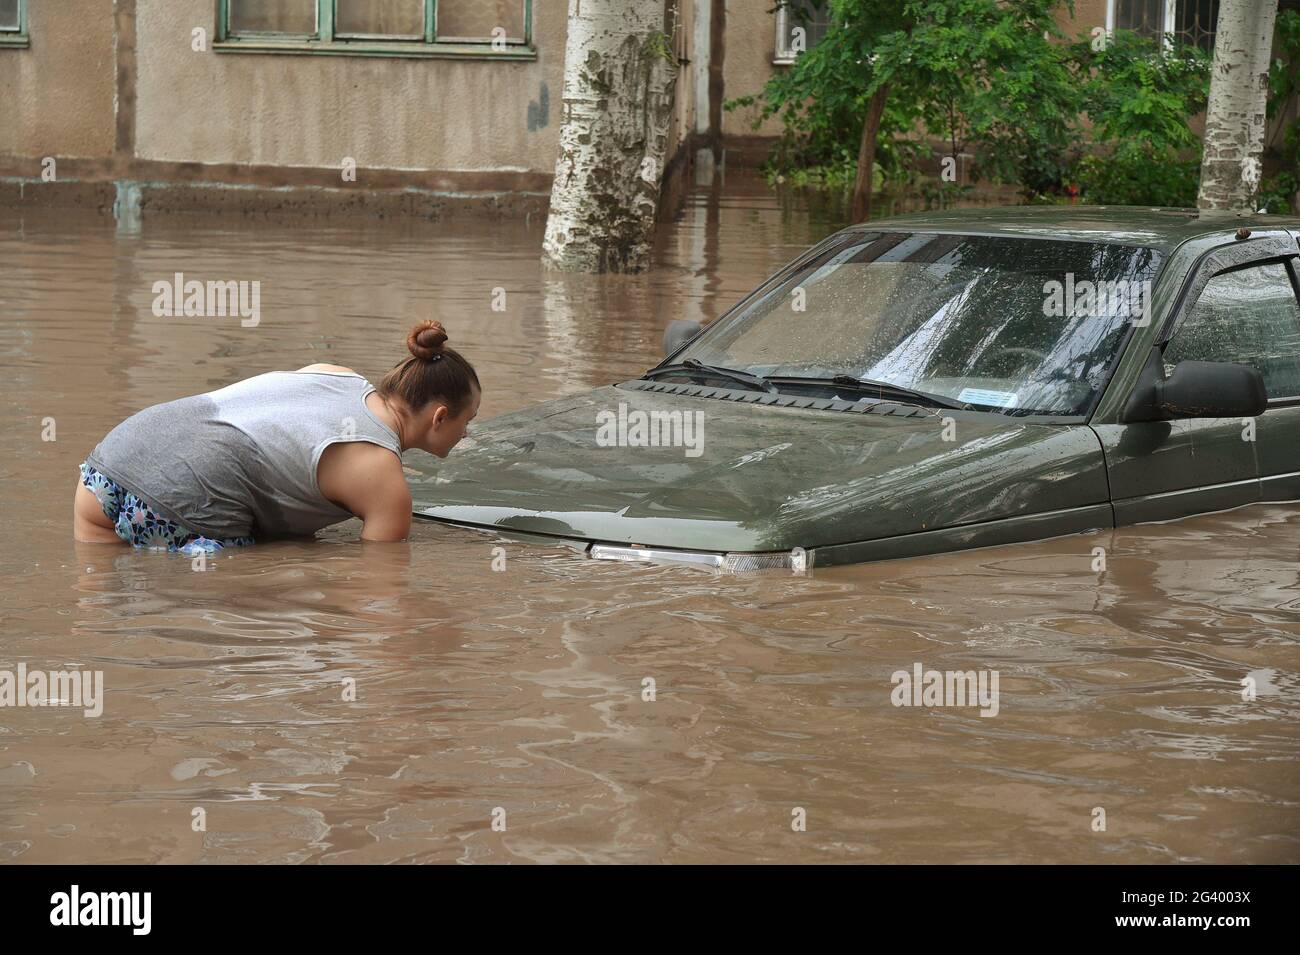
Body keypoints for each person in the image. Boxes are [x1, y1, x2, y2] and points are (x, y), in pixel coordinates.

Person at [72, 320, 479, 552]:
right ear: (440, 417)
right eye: (468, 420)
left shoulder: (334, 372)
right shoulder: (384, 478)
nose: (467, 432)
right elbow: (375, 585)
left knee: (98, 586)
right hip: (185, 497)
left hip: (114, 459)